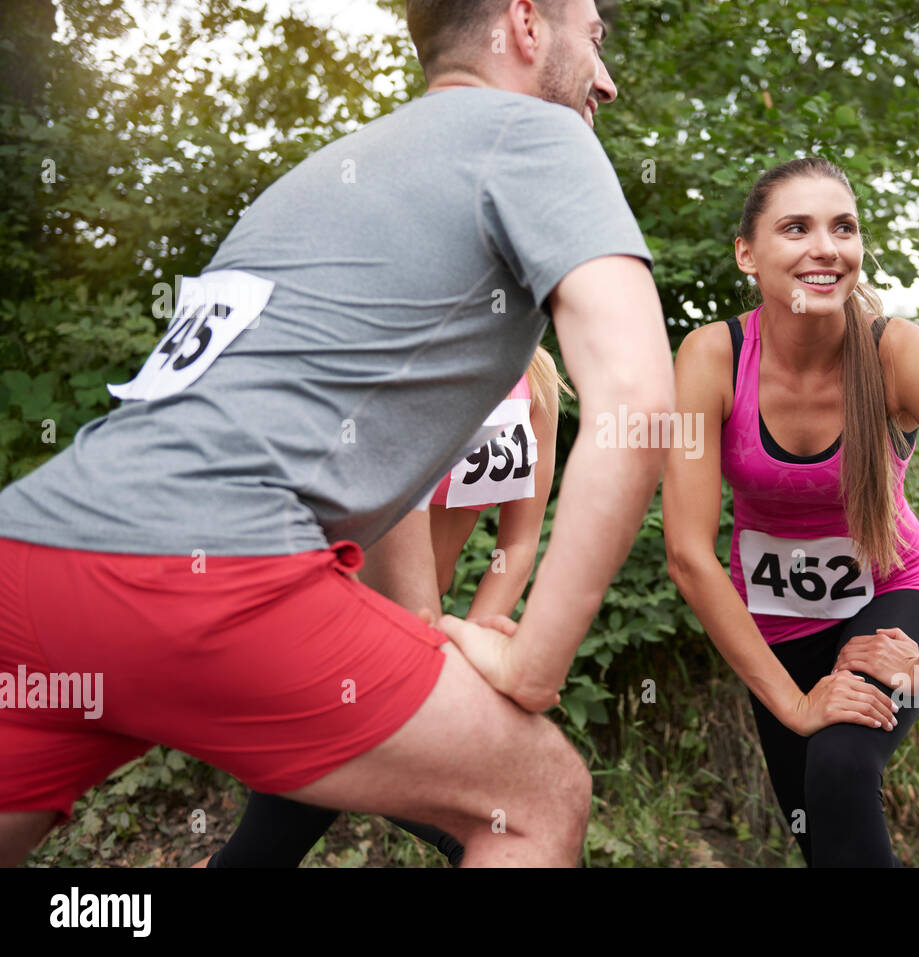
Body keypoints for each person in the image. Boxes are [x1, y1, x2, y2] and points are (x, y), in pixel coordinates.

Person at [0, 0, 674, 868]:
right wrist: (535, 669)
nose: (607, 81)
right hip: (216, 569)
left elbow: (346, 440)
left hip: (34, 548)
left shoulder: (330, 171)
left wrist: (418, 624)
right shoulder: (537, 133)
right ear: (527, 24)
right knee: (540, 795)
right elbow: (637, 397)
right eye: (596, 38)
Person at [663, 157, 919, 867]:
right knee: (823, 833)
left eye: (843, 227)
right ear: (747, 252)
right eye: (795, 227)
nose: (825, 247)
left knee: (839, 767)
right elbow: (687, 553)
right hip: (772, 629)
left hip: (890, 602)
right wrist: (795, 702)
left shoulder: (896, 353)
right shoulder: (712, 356)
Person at [201, 348, 567, 868]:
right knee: (509, 829)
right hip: (335, 639)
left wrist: (476, 636)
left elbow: (520, 542)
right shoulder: (403, 359)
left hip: (409, 641)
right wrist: (454, 668)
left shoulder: (536, 377)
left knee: (260, 854)